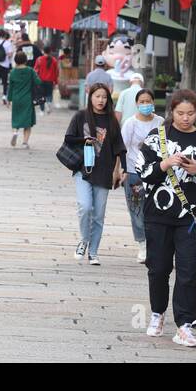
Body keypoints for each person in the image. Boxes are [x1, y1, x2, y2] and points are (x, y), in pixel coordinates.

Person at [138, 89, 196, 347]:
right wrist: (166, 163)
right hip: (157, 215)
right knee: (158, 268)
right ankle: (157, 313)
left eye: (190, 113)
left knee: (189, 270)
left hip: (191, 217)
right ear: (171, 112)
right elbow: (143, 172)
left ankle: (185, 324)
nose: (186, 118)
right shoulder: (157, 137)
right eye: (180, 113)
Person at [63, 83, 124, 266]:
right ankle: (84, 239)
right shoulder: (81, 116)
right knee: (85, 206)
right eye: (97, 96)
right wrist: (85, 139)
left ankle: (94, 252)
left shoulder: (112, 120)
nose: (101, 100)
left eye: (104, 97)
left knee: (98, 215)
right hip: (83, 169)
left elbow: (120, 147)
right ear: (90, 97)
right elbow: (68, 138)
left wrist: (120, 170)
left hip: (104, 172)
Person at [120, 87, 161, 263]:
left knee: (156, 209)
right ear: (136, 104)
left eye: (148, 101)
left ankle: (156, 244)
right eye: (141, 102)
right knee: (136, 210)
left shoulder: (161, 122)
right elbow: (121, 149)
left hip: (157, 172)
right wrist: (119, 171)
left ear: (153, 102)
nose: (145, 104)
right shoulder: (130, 123)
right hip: (133, 172)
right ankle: (142, 244)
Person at [7, 51, 37, 148]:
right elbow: (38, 82)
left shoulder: (13, 72)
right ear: (25, 60)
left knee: (16, 118)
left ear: (15, 60)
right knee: (27, 122)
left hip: (16, 99)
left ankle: (15, 132)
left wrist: (9, 100)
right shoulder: (30, 71)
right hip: (27, 99)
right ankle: (25, 142)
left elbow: (10, 88)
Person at [33, 46, 59, 113]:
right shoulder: (54, 60)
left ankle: (42, 110)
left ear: (43, 51)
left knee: (41, 95)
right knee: (49, 94)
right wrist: (56, 81)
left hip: (40, 80)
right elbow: (56, 72)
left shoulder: (39, 59)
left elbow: (35, 71)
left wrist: (35, 80)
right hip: (50, 81)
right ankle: (49, 104)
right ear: (50, 51)